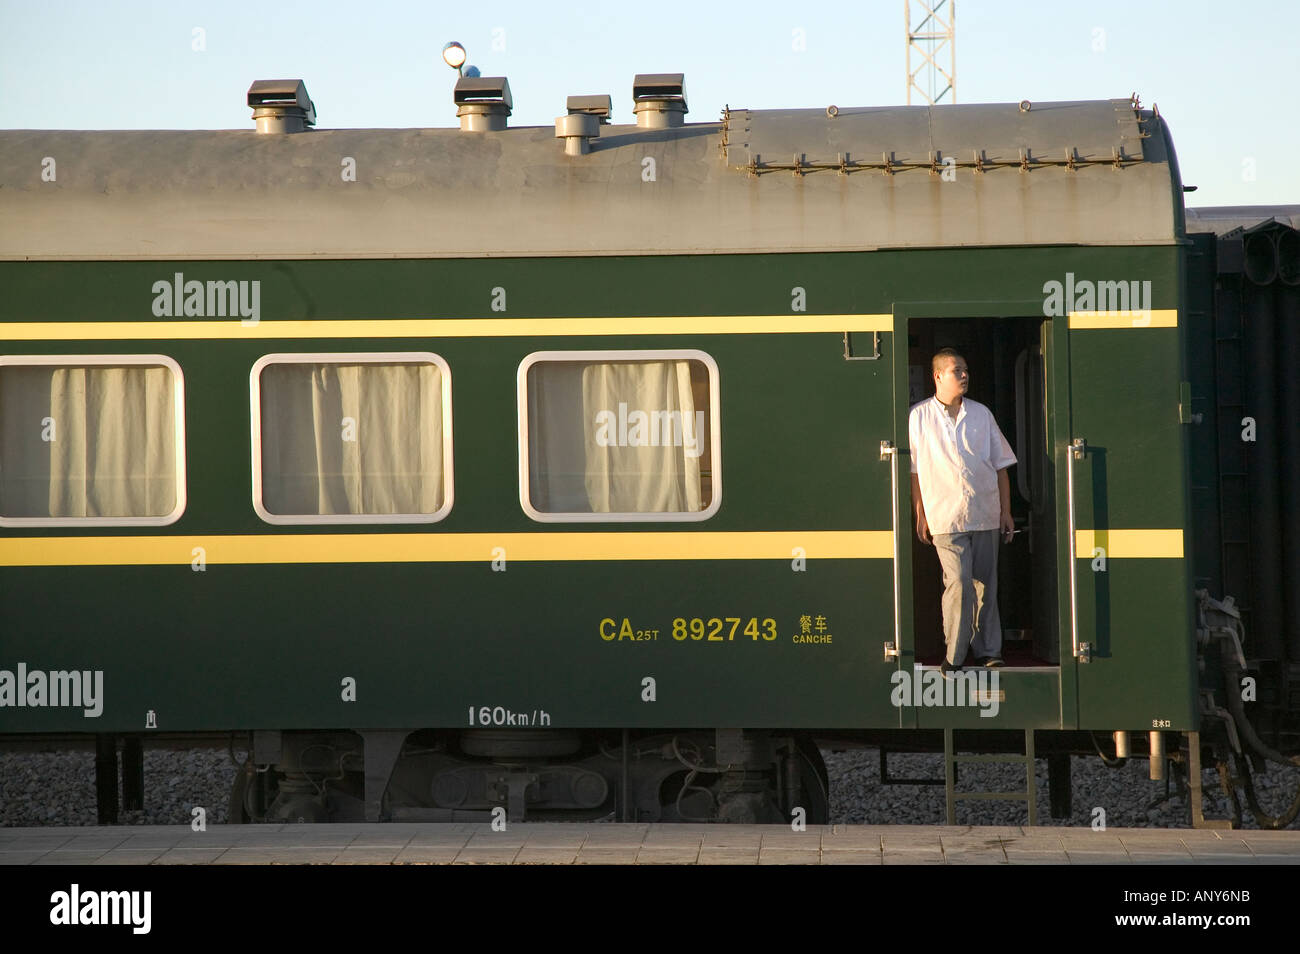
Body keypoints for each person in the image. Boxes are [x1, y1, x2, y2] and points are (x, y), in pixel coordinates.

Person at [909, 348, 1017, 674]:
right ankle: (955, 656)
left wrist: (1006, 511)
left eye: (966, 369)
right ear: (938, 376)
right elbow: (914, 471)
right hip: (944, 515)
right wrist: (920, 513)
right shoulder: (919, 417)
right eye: (957, 370)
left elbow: (1001, 466)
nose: (965, 375)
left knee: (986, 584)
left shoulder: (982, 414)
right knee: (958, 583)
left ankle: (988, 651)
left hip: (985, 509)